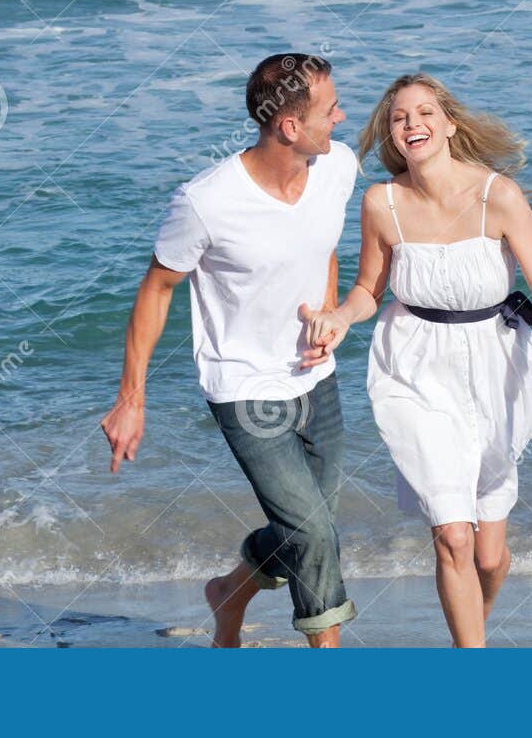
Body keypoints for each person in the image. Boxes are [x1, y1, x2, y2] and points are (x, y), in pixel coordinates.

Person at [298, 72, 532, 647]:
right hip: (414, 368)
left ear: (449, 125)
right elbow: (369, 290)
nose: (412, 124)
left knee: (488, 557)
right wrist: (339, 317)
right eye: (399, 117)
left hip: (497, 365)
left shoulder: (498, 196)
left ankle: (473, 626)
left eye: (424, 113)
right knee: (453, 538)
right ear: (391, 135)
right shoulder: (382, 203)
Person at [100, 53, 359, 647]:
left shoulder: (336, 167)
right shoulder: (206, 202)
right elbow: (157, 288)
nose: (342, 118)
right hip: (243, 387)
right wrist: (130, 399)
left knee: (307, 529)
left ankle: (228, 592)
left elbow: (323, 246)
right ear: (289, 126)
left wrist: (326, 310)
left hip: (316, 379)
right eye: (330, 109)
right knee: (314, 535)